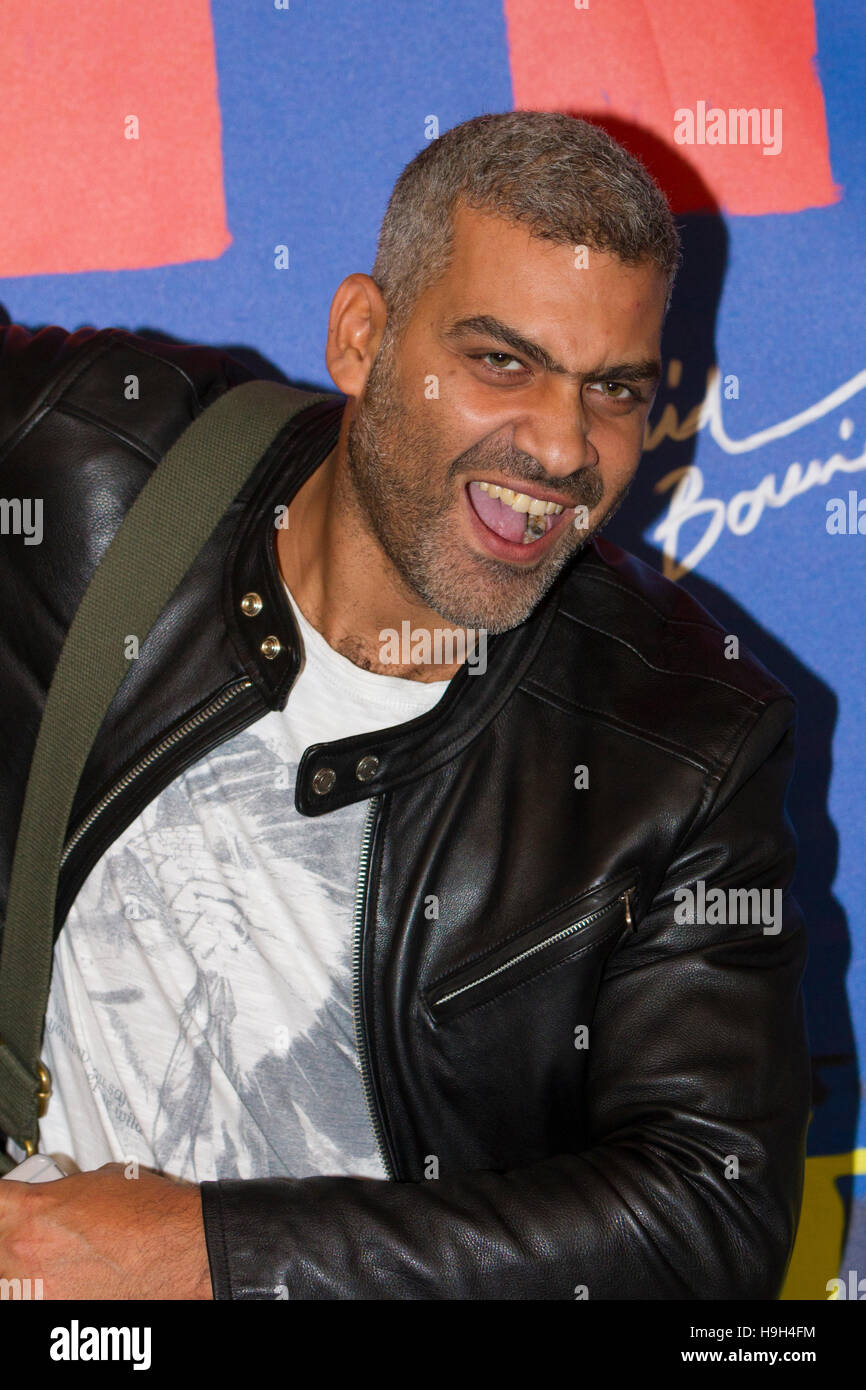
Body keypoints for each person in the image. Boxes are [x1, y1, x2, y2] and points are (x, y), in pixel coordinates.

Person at [0, 110, 810, 1299]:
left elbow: (708, 1213)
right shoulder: (91, 458)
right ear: (362, 337)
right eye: (501, 361)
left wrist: (203, 1254)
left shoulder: (681, 741)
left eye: (613, 390)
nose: (558, 446)